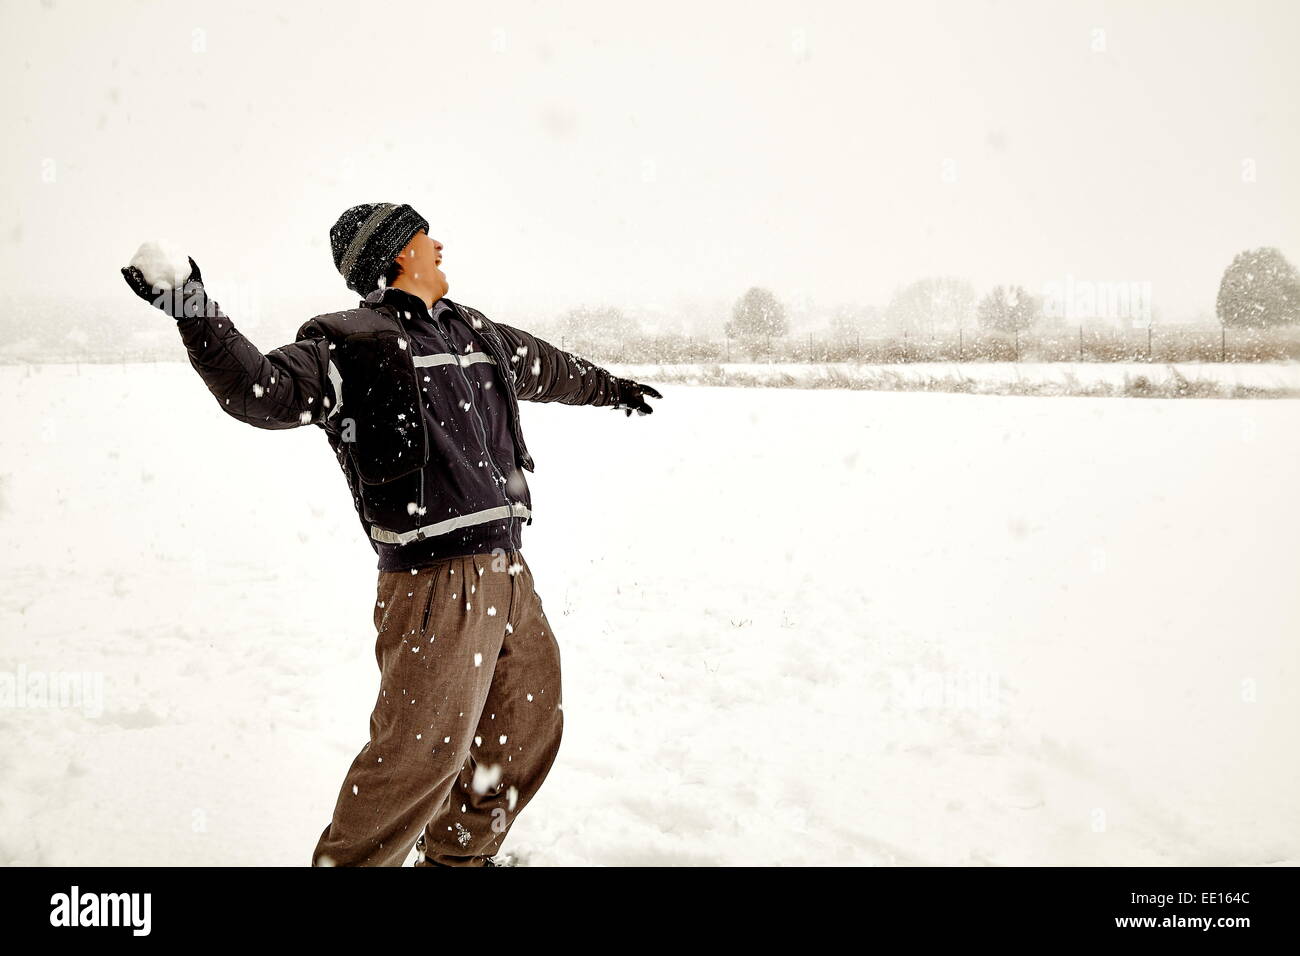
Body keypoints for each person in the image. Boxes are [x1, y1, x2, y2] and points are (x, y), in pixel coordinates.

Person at [122, 202, 662, 866]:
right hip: (433, 580)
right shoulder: (350, 345)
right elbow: (260, 390)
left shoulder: (475, 332)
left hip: (508, 570)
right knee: (416, 758)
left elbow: (547, 368)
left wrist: (611, 388)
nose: (440, 246)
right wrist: (192, 306)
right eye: (425, 236)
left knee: (523, 728)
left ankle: (458, 858)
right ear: (397, 254)